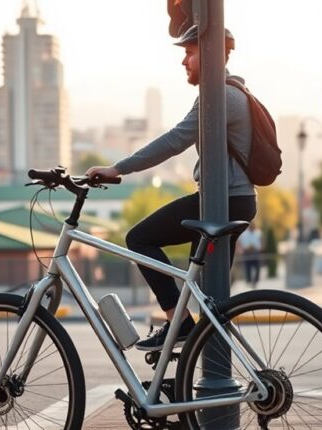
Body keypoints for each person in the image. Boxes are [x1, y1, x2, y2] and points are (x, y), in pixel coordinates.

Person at [85, 25, 257, 352]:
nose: (184, 61)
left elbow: (175, 140)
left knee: (139, 239)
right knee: (207, 300)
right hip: (232, 200)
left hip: (222, 202)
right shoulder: (232, 92)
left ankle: (178, 324)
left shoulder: (220, 96)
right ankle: (189, 344)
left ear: (210, 54)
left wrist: (118, 168)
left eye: (189, 53)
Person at [238, 223, 262, 288]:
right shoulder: (244, 234)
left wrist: (260, 248)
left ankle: (255, 281)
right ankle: (249, 281)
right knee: (247, 267)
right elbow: (240, 242)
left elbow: (260, 241)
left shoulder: (258, 232)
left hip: (255, 252)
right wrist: (240, 249)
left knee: (257, 268)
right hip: (246, 252)